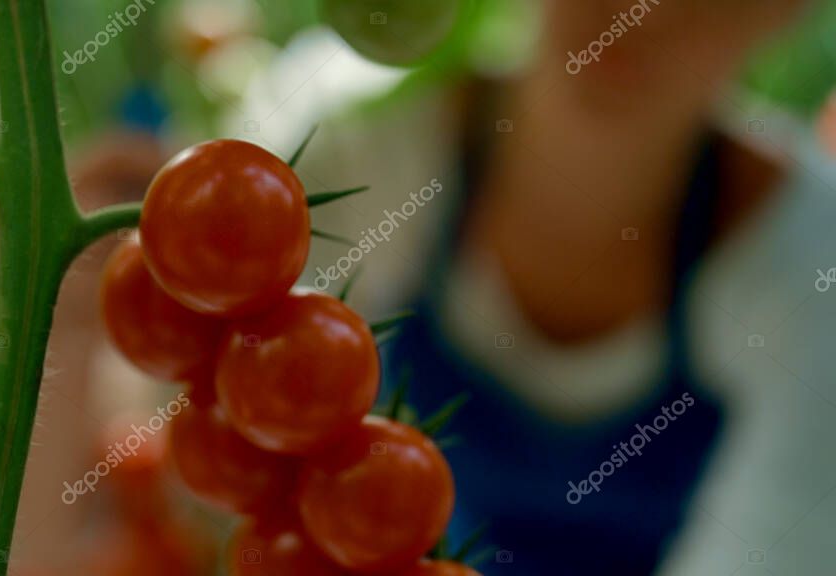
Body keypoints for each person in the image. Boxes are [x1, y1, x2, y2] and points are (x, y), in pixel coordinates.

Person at [242, 0, 836, 573]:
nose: (643, 10)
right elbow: (226, 444)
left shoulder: (810, 267)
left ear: (785, 10)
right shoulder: (348, 137)